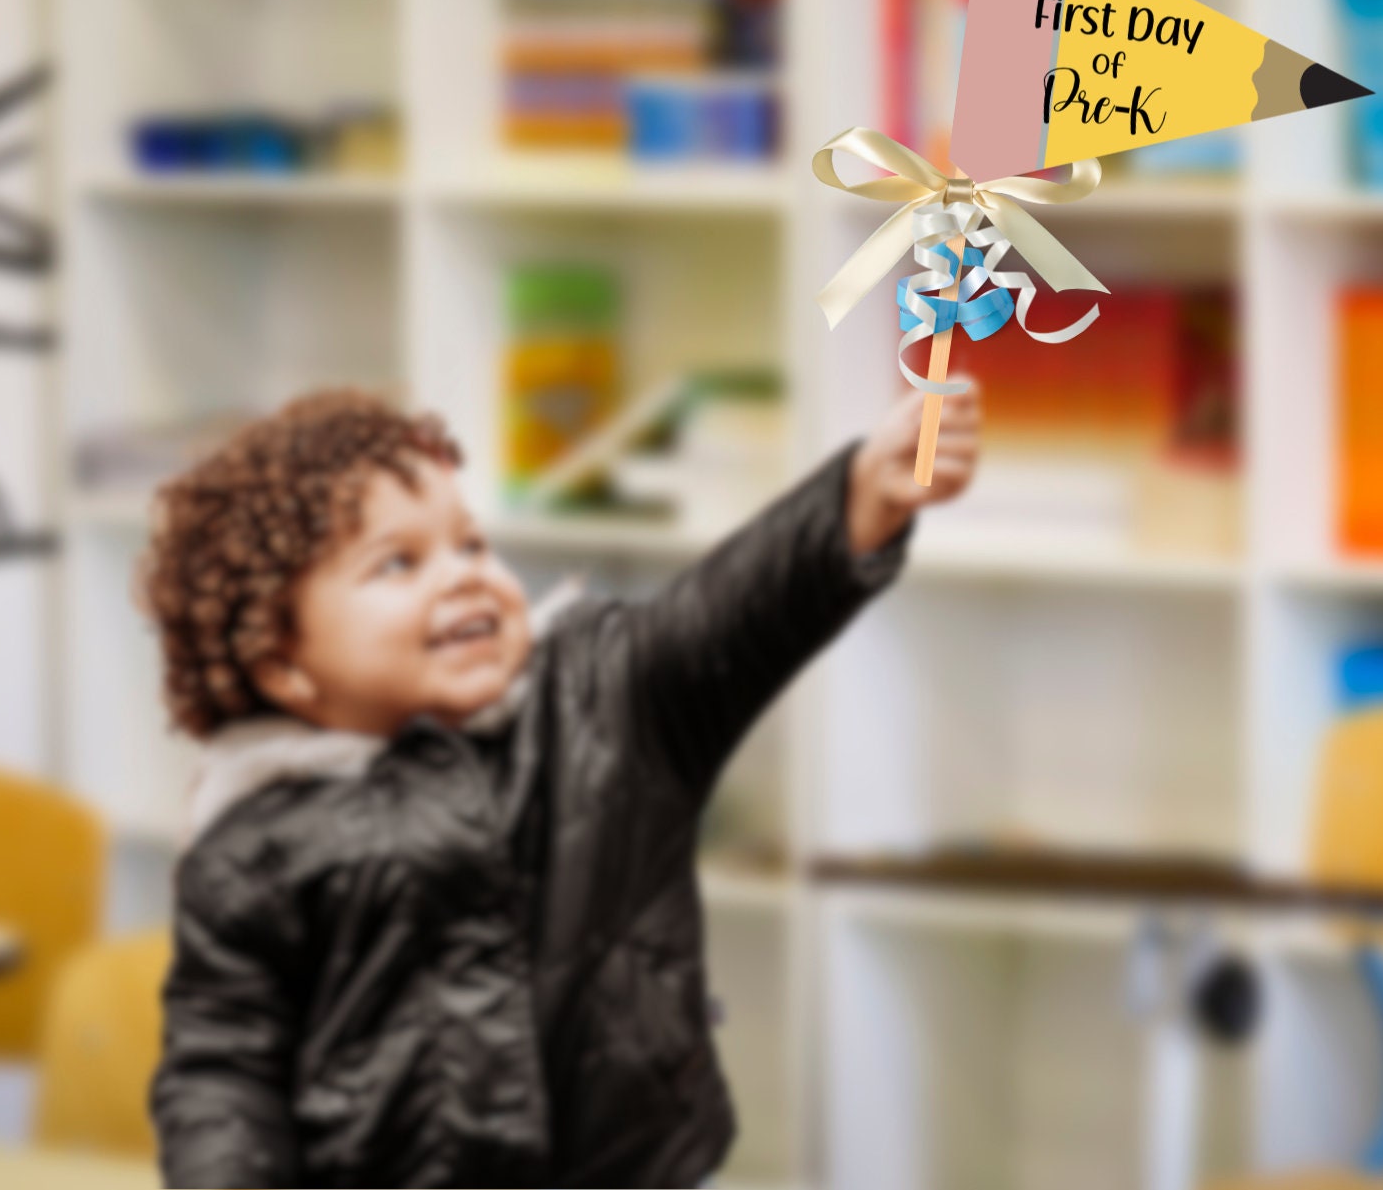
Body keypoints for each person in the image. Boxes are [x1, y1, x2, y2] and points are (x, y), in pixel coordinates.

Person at [139, 381, 980, 1188]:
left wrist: (857, 498)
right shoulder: (250, 844)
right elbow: (223, 1073)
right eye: (397, 563)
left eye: (469, 542)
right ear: (283, 662)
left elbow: (731, 612)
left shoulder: (598, 693)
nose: (461, 573)